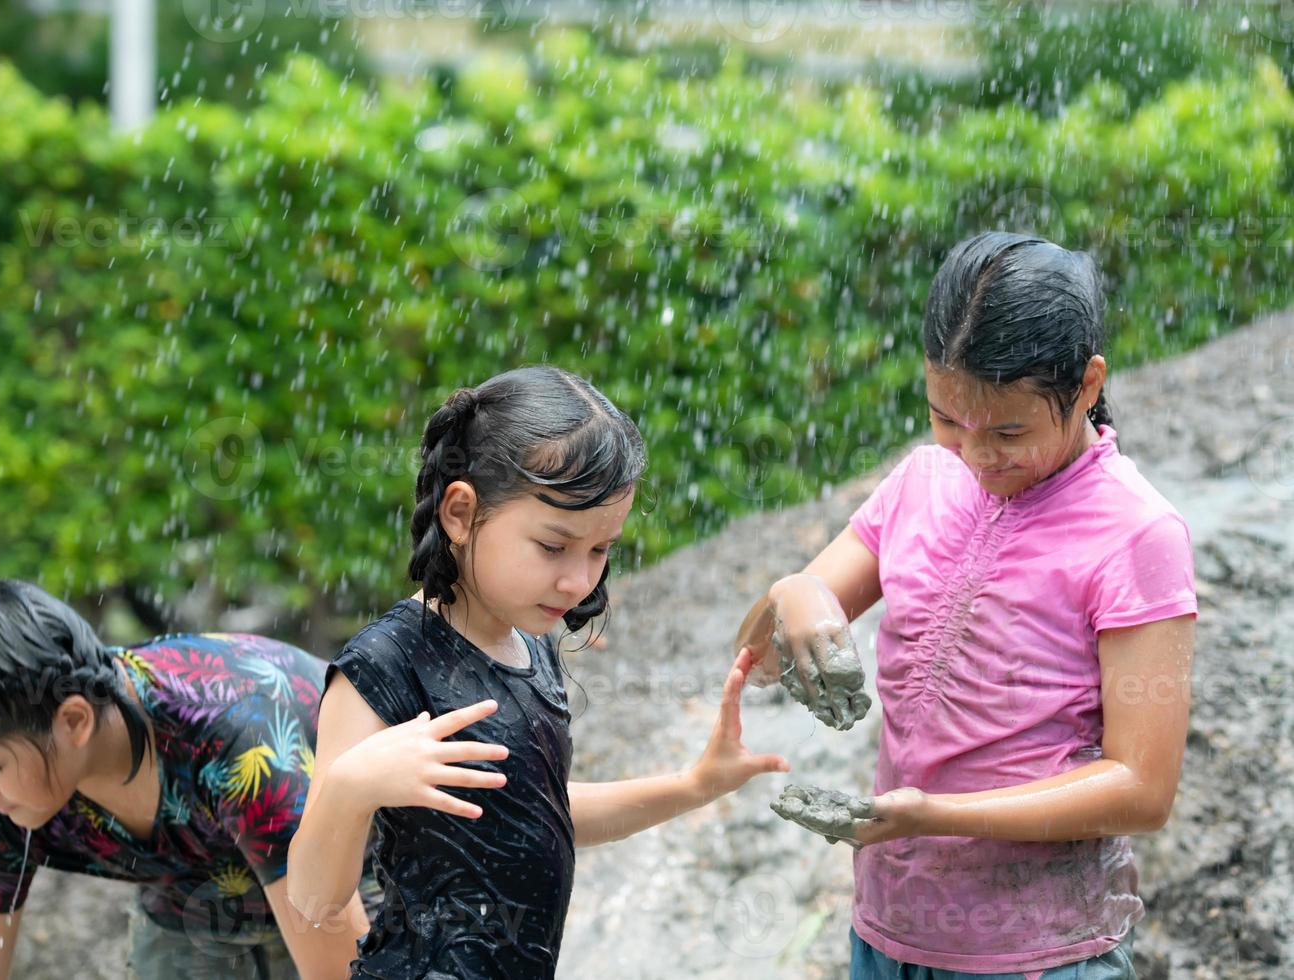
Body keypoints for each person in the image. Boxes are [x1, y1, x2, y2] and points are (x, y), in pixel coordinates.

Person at [737, 231, 1197, 978]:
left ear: (1086, 385)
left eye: (1009, 429)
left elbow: (1143, 791)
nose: (977, 455)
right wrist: (795, 592)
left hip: (1042, 955)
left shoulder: (1138, 535)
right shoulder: (922, 482)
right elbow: (755, 662)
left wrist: (932, 816)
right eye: (947, 419)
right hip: (886, 935)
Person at [287, 365, 790, 978]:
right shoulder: (385, 665)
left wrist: (695, 785)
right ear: (460, 513)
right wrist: (350, 785)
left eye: (601, 550)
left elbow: (533, 817)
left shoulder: (533, 647)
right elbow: (313, 900)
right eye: (554, 547)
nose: (580, 581)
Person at [0, 579, 371, 979]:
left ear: (74, 722)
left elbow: (341, 969)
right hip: (197, 882)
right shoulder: (2, 800)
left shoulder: (238, 748)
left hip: (364, 859)